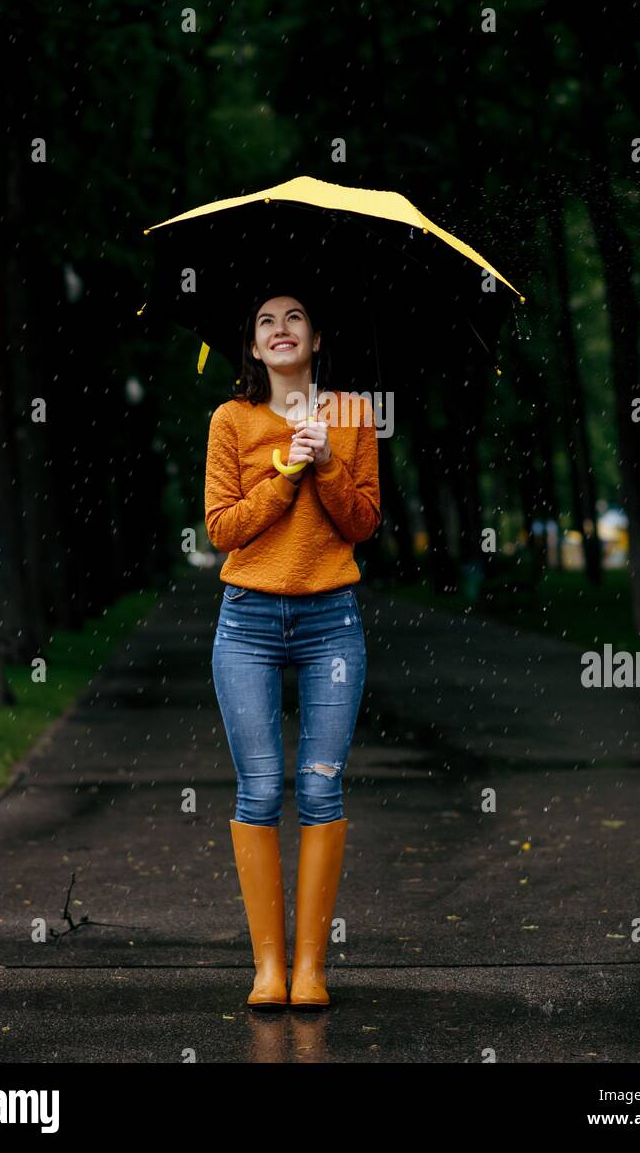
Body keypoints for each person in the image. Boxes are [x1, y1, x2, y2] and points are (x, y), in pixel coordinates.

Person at [204, 287, 381, 1007]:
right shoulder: (231, 419)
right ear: (253, 346)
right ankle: (267, 969)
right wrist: (285, 474)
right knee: (257, 790)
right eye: (266, 322)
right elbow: (222, 529)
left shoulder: (353, 415)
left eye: (295, 317)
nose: (281, 329)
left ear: (315, 337)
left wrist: (329, 463)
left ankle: (310, 969)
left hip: (330, 620)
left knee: (318, 788)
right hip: (246, 620)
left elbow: (363, 523)